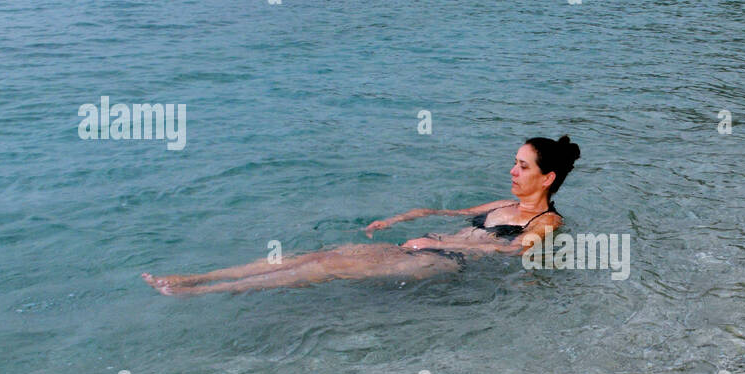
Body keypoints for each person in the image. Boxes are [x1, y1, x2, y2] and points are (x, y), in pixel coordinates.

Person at [142, 136, 580, 295]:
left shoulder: (547, 223)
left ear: (547, 178)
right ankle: (202, 277)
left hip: (442, 262)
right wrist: (406, 218)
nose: (512, 170)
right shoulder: (499, 204)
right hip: (420, 245)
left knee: (330, 266)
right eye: (515, 162)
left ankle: (201, 292)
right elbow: (451, 211)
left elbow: (509, 255)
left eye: (523, 166)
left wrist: (437, 244)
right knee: (315, 254)